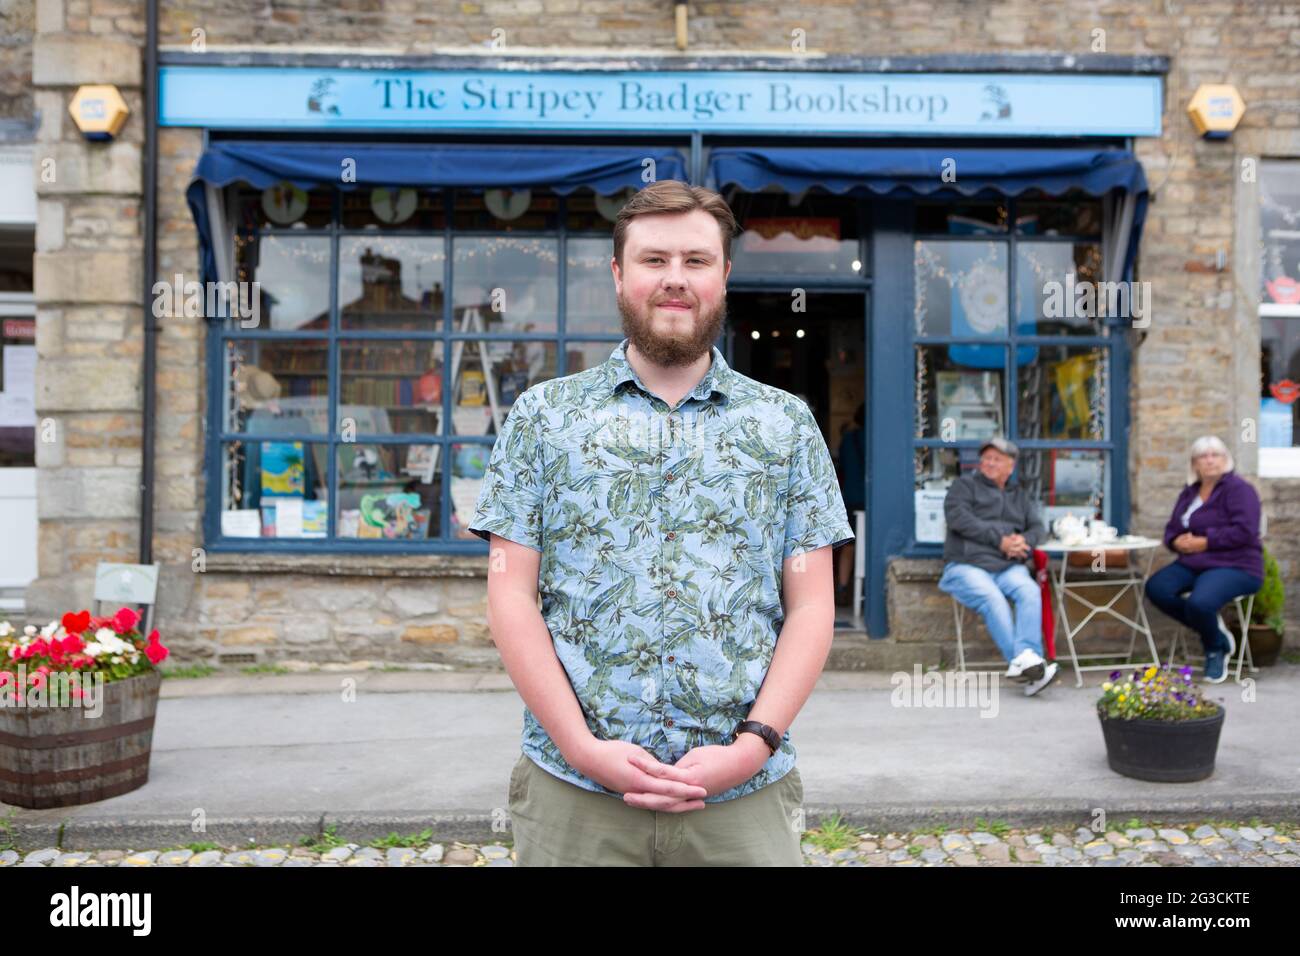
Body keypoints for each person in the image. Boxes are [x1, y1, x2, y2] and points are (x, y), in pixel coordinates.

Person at [468, 179, 854, 866]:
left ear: (724, 275)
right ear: (619, 274)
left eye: (696, 261)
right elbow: (509, 594)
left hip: (743, 799)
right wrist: (582, 747)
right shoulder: (543, 418)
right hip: (575, 796)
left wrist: (752, 745)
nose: (675, 280)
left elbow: (812, 603)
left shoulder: (786, 424)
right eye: (654, 260)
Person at [937, 437, 1059, 697]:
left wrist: (1022, 541)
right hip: (966, 565)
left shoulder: (1019, 496)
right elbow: (958, 518)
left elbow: (1039, 528)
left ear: (1010, 467)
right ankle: (1024, 663)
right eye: (986, 458)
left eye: (997, 459)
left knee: (1029, 591)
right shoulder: (964, 486)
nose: (989, 463)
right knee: (993, 599)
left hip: (1006, 567)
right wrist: (1000, 540)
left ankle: (1028, 663)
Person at [1144, 435, 1263, 683]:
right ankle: (1216, 634)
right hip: (1193, 563)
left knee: (1200, 603)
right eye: (1202, 456)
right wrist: (1176, 541)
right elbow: (1172, 529)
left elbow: (1246, 531)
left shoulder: (1240, 490)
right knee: (1157, 588)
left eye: (1215, 455)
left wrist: (1206, 541)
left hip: (1236, 564)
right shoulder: (1190, 493)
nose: (1209, 461)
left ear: (1225, 459)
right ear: (1194, 464)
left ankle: (1213, 648)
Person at [835, 402, 866, 607]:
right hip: (873, 498)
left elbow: (842, 468)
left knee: (849, 546)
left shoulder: (848, 439)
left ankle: (843, 589)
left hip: (851, 496)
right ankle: (865, 591)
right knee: (870, 545)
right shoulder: (879, 439)